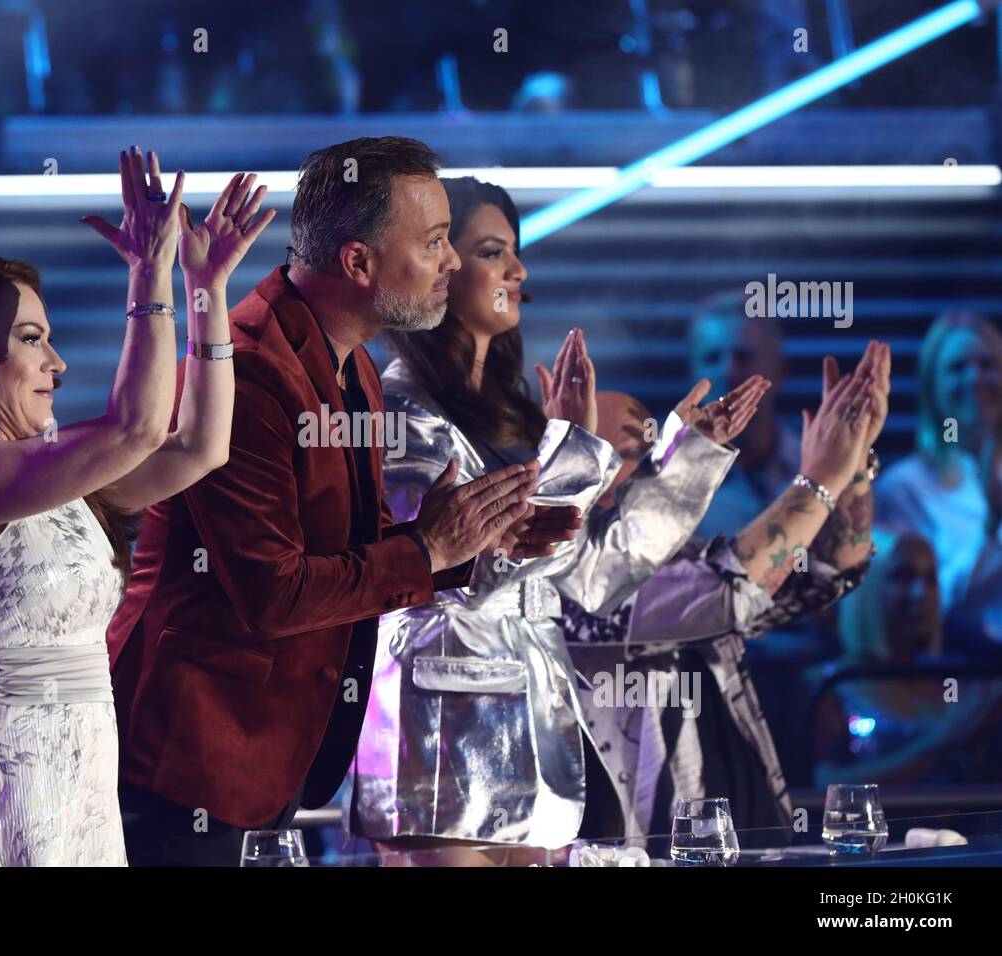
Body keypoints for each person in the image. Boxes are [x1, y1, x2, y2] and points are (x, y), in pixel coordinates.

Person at [105, 138, 572, 867]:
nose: (450, 263)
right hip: (185, 759)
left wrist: (472, 545)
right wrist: (429, 549)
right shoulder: (256, 372)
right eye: (436, 241)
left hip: (262, 756)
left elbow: (353, 551)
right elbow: (272, 591)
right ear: (358, 263)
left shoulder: (351, 357)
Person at [349, 176, 770, 862]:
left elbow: (595, 575)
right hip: (439, 740)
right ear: (440, 266)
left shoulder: (517, 417)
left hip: (534, 748)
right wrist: (574, 449)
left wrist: (687, 461)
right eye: (491, 251)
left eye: (515, 252)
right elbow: (465, 567)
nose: (516, 270)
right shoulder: (398, 411)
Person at [0, 148, 272, 865]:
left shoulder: (58, 487)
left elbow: (198, 447)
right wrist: (148, 275)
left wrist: (204, 289)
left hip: (79, 783)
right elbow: (135, 426)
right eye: (30, 340)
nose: (56, 363)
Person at [564, 341, 887, 843]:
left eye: (652, 452)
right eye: (626, 456)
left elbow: (825, 572)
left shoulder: (682, 558)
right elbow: (735, 584)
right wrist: (824, 474)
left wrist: (856, 464)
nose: (653, 470)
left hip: (737, 842)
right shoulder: (570, 582)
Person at [810, 529, 1002, 787]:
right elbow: (826, 788)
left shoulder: (951, 681)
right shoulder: (832, 685)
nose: (920, 594)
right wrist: (938, 743)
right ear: (869, 587)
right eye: (903, 577)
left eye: (930, 579)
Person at [876, 311, 1002, 658]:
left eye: (988, 363)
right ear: (933, 386)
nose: (975, 377)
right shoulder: (906, 488)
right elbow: (924, 609)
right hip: (958, 679)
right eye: (957, 367)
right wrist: (991, 525)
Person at [689, 290, 797, 541]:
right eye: (712, 358)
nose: (728, 372)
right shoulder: (659, 479)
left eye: (743, 357)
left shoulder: (816, 469)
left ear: (780, 371)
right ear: (693, 375)